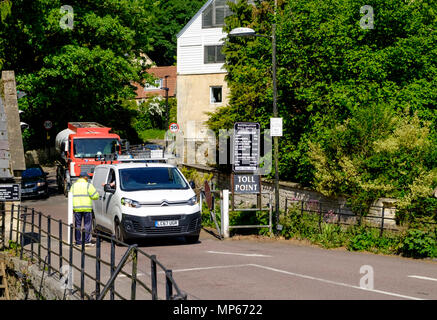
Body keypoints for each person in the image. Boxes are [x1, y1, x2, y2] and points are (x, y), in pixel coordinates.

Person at [70, 172, 99, 247]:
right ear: (85, 177)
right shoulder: (88, 185)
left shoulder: (73, 186)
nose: (87, 178)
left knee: (78, 225)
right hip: (87, 208)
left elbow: (70, 196)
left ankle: (78, 242)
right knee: (87, 225)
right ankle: (87, 241)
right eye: (87, 177)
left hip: (77, 208)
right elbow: (95, 196)